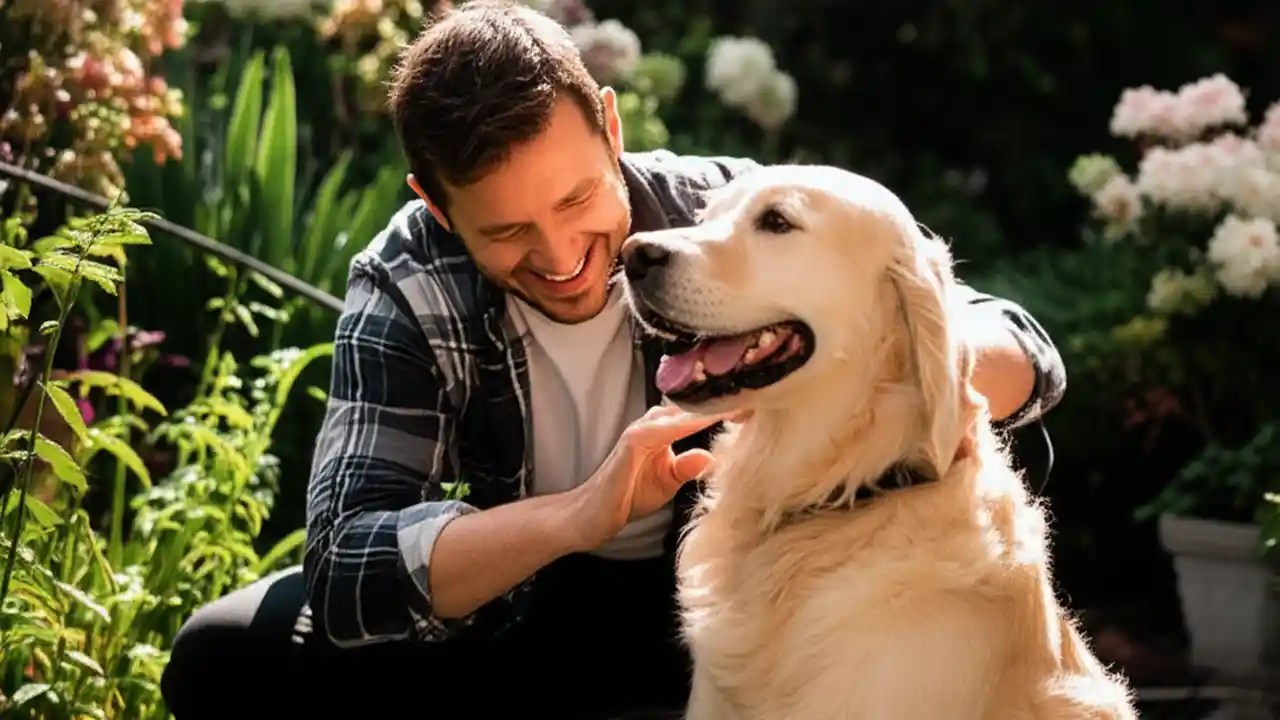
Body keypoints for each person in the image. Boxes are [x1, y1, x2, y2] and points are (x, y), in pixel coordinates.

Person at [158, 1, 1067, 717]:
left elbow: (1028, 352)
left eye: (579, 198)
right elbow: (350, 568)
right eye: (508, 230)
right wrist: (579, 515)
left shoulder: (719, 212)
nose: (560, 256)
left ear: (611, 127)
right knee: (220, 657)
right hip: (521, 610)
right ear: (436, 207)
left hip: (717, 589)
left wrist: (921, 363)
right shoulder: (406, 280)